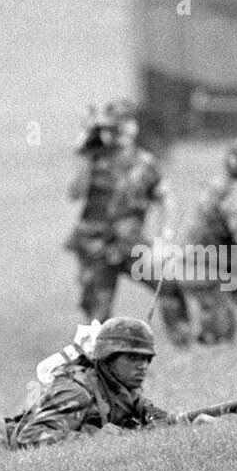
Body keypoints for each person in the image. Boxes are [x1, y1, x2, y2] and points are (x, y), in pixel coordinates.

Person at [0, 317, 195, 469]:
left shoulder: (121, 389)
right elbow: (30, 442)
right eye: (133, 359)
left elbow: (154, 418)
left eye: (147, 359)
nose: (142, 366)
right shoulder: (76, 390)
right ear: (108, 359)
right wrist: (103, 436)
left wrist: (186, 422)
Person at [155, 137, 237, 345]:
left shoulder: (220, 186)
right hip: (204, 270)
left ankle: (191, 345)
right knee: (220, 336)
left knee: (215, 330)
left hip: (193, 265)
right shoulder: (236, 194)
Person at [64, 100, 166, 322]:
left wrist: (162, 237)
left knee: (168, 287)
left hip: (131, 246)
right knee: (96, 313)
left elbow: (164, 199)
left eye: (127, 121)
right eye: (118, 123)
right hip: (96, 248)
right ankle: (97, 353)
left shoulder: (145, 162)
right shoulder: (95, 157)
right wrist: (84, 153)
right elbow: (75, 192)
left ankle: (188, 343)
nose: (123, 128)